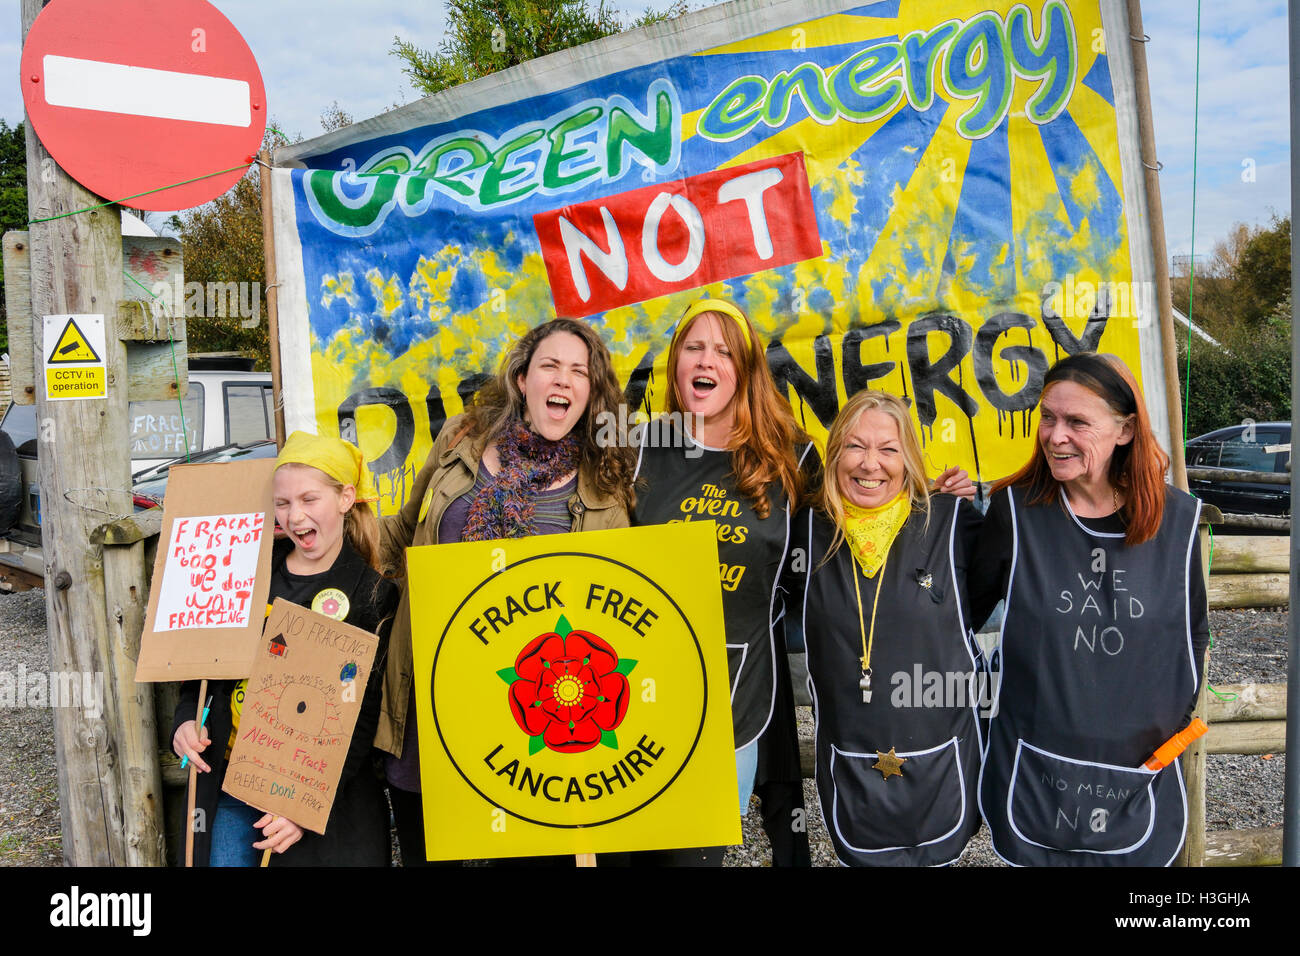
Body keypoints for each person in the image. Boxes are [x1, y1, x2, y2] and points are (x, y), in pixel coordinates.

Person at [633, 299, 972, 865]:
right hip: (647, 680)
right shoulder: (639, 447)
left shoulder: (791, 456)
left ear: (747, 369)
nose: (706, 359)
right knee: (640, 847)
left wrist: (934, 500)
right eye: (693, 347)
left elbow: (861, 510)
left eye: (723, 350)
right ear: (674, 364)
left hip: (743, 686)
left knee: (702, 849)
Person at [376, 317, 635, 865]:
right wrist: (317, 527)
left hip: (534, 723)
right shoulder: (460, 439)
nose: (562, 380)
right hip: (434, 696)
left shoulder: (607, 493)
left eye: (578, 372)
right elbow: (399, 533)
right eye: (549, 366)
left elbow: (614, 619)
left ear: (590, 394)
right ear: (523, 379)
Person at [971, 352, 1209, 866]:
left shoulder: (1180, 522)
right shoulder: (1015, 514)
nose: (1056, 435)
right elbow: (956, 614)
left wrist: (1168, 724)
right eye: (1048, 417)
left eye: (1077, 422)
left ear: (1124, 430)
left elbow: (1192, 637)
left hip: (1134, 779)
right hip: (1036, 774)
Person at [171, 432, 399, 866]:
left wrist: (303, 805)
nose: (295, 516)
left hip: (318, 799)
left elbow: (362, 716)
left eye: (309, 500)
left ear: (346, 498)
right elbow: (202, 662)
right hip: (232, 785)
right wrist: (185, 721)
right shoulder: (246, 571)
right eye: (283, 503)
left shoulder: (373, 595)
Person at [793, 389, 984, 866]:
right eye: (855, 446)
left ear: (910, 459)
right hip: (852, 763)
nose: (870, 463)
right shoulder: (806, 534)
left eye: (888, 449)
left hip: (942, 764)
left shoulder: (952, 521)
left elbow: (1020, 584)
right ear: (835, 454)